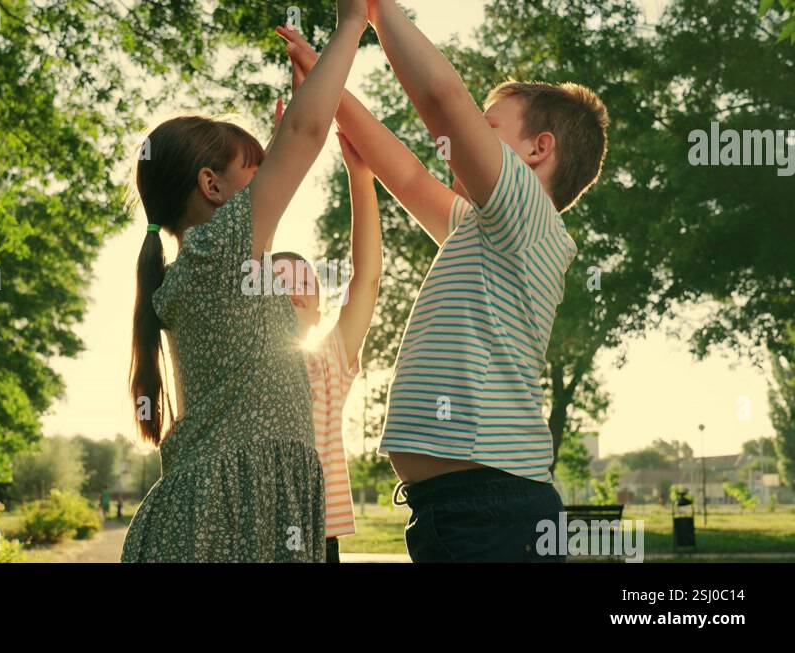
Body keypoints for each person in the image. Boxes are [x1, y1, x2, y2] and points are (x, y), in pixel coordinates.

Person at [279, 0, 608, 561]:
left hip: (491, 507)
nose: (469, 134)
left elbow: (442, 99)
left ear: (538, 150)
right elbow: (406, 175)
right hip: (458, 507)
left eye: (487, 127)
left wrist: (374, 12)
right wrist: (326, 85)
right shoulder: (483, 228)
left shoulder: (528, 214)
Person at [121, 0, 369, 562]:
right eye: (254, 171)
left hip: (217, 516)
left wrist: (294, 117)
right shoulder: (217, 253)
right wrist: (352, 23)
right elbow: (306, 134)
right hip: (227, 517)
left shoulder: (204, 267)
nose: (269, 181)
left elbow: (294, 139)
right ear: (211, 187)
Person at [273, 131, 382, 564]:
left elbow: (366, 278)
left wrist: (361, 176)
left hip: (319, 540)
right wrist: (279, 157)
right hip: (251, 538)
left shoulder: (328, 364)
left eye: (305, 283)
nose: (293, 288)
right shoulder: (240, 364)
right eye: (277, 282)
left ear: (319, 313)